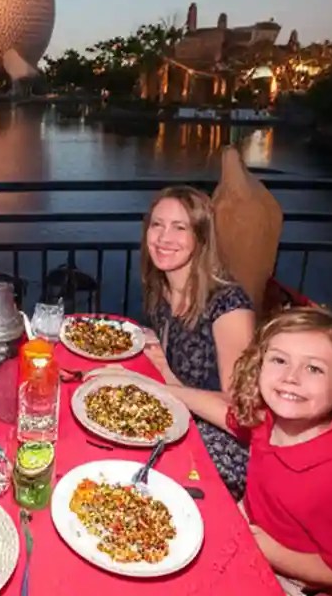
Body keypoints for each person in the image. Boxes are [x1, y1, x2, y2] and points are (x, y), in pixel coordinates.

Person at [166, 307, 332, 595]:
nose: (290, 377)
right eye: (279, 360)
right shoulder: (270, 422)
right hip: (250, 530)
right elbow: (226, 413)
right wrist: (165, 390)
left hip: (291, 581)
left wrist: (264, 547)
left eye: (314, 368)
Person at [138, 185, 257, 498]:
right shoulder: (162, 290)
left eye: (180, 228)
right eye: (157, 225)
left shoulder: (229, 306)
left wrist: (162, 388)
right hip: (181, 421)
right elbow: (181, 378)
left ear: (201, 238)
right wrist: (162, 365)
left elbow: (240, 416)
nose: (164, 238)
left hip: (224, 450)